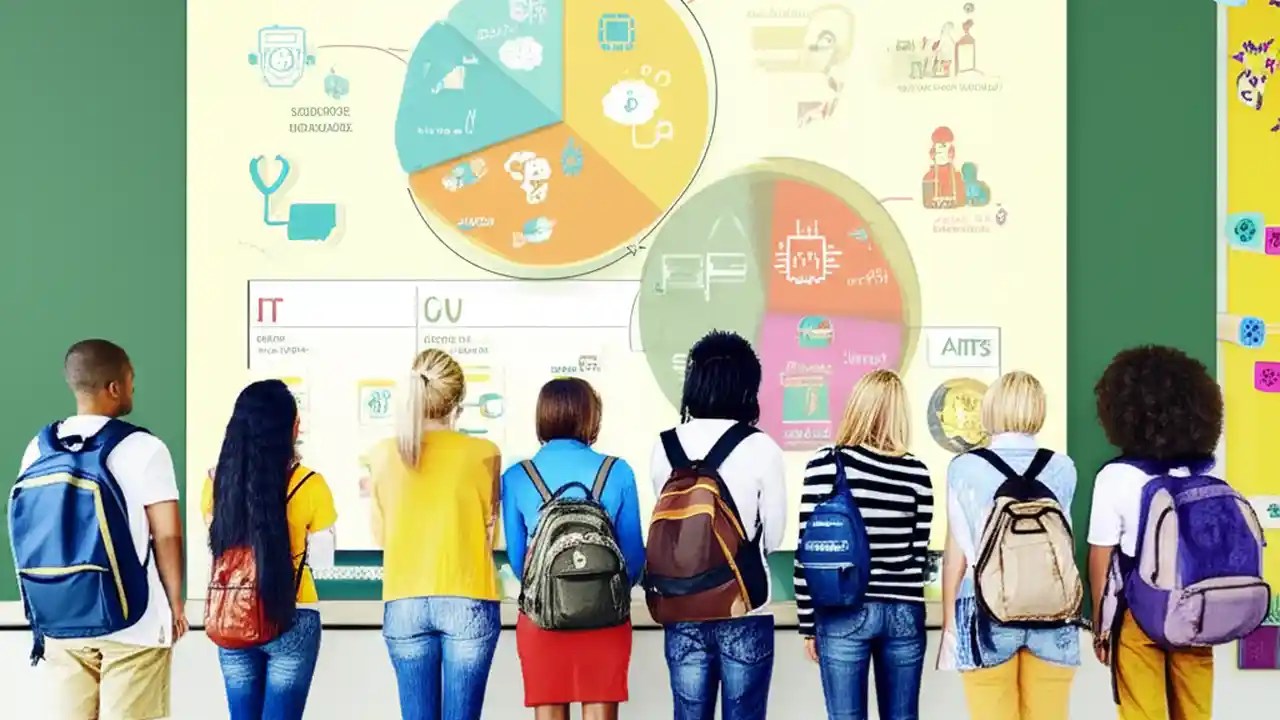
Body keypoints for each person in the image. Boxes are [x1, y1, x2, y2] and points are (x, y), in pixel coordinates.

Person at [15, 339, 185, 719]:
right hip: (134, 622)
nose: (133, 388)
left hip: (60, 619)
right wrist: (174, 602)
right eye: (131, 380)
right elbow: (167, 535)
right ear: (114, 387)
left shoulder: (37, 449)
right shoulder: (145, 448)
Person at [648, 330, 787, 720]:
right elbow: (774, 536)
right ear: (747, 386)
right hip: (744, 608)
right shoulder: (761, 447)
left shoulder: (664, 445)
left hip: (681, 606)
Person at [367, 348, 502, 720]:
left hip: (404, 600)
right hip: (468, 596)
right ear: (458, 401)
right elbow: (491, 535)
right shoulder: (485, 453)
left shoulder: (381, 455)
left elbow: (380, 536)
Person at [1088, 346, 1223, 720]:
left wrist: (1101, 628)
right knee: (1195, 711)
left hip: (1139, 612)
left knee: (1142, 713)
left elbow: (1101, 558)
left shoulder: (1115, 477)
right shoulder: (1207, 473)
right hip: (1197, 610)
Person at [502, 377, 646, 720]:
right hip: (605, 619)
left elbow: (520, 563)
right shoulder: (618, 471)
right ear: (591, 417)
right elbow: (634, 559)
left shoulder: (518, 476)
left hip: (542, 619)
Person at [939, 371, 1079, 720]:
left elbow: (956, 558)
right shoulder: (1063, 467)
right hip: (1053, 610)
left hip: (983, 609)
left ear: (991, 408)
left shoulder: (963, 468)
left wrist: (949, 628)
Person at [796, 369, 934, 720]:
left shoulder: (827, 464)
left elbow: (807, 556)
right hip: (904, 610)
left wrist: (808, 624)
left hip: (843, 611)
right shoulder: (918, 473)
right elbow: (917, 556)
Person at [201, 379, 338, 719]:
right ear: (293, 427)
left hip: (232, 614)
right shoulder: (310, 484)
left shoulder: (215, 483)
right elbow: (323, 561)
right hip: (293, 614)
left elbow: (216, 547)